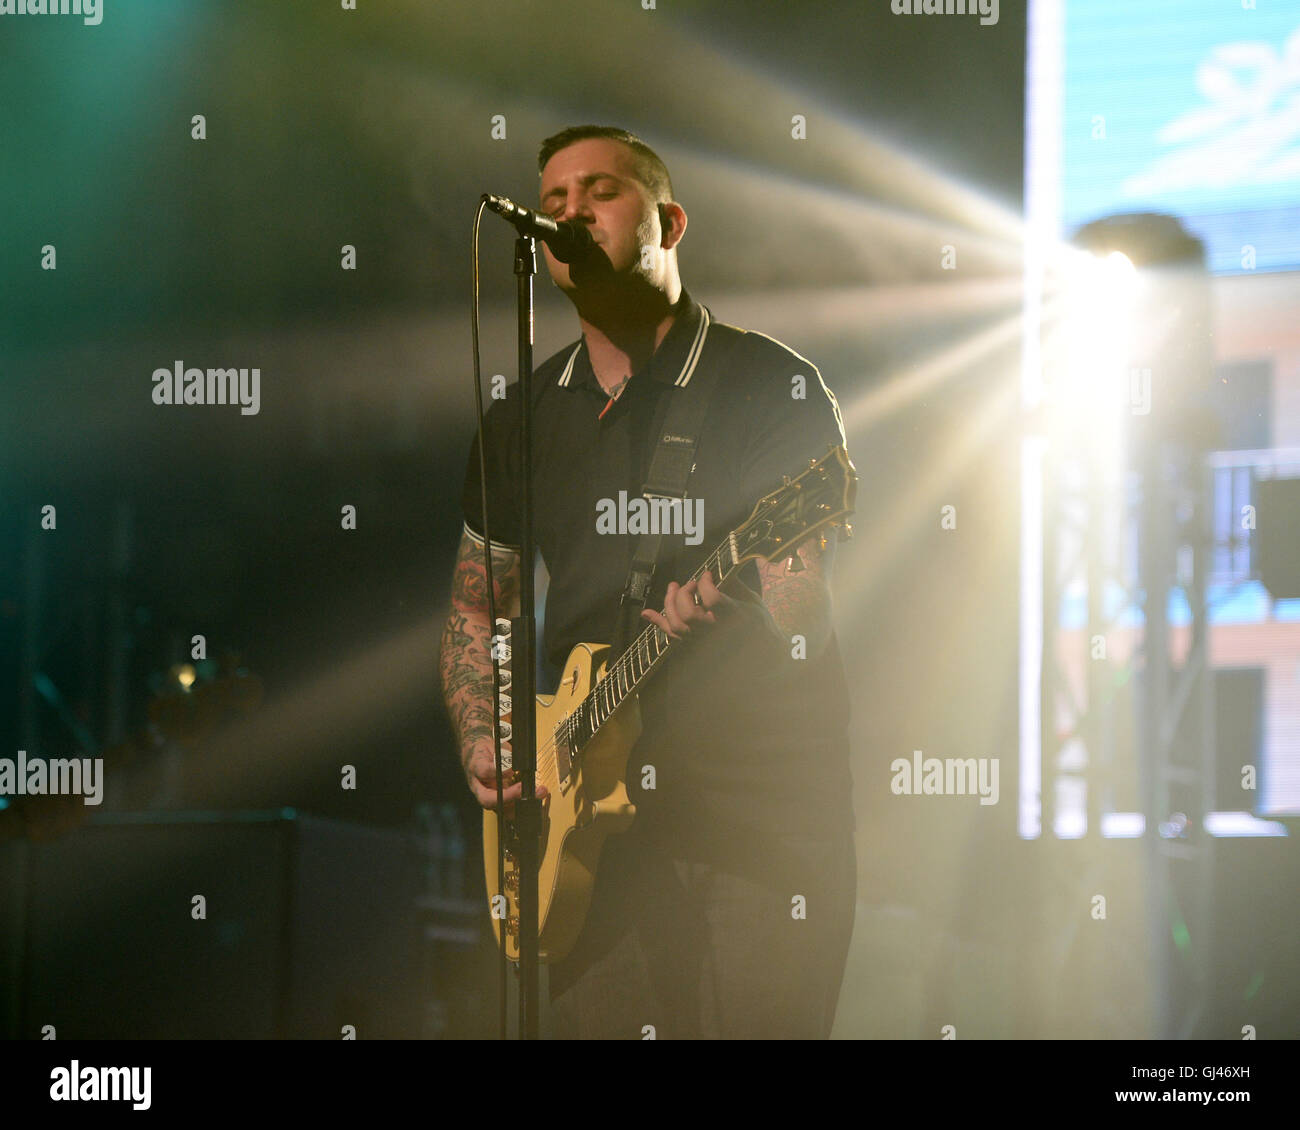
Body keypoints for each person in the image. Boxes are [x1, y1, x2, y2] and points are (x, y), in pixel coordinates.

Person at [438, 125, 856, 1039]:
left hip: (757, 834)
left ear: (669, 221)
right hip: (586, 840)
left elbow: (804, 618)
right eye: (553, 204)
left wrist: (757, 603)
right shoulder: (521, 421)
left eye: (599, 193)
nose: (570, 215)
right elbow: (480, 608)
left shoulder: (769, 385)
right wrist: (488, 743)